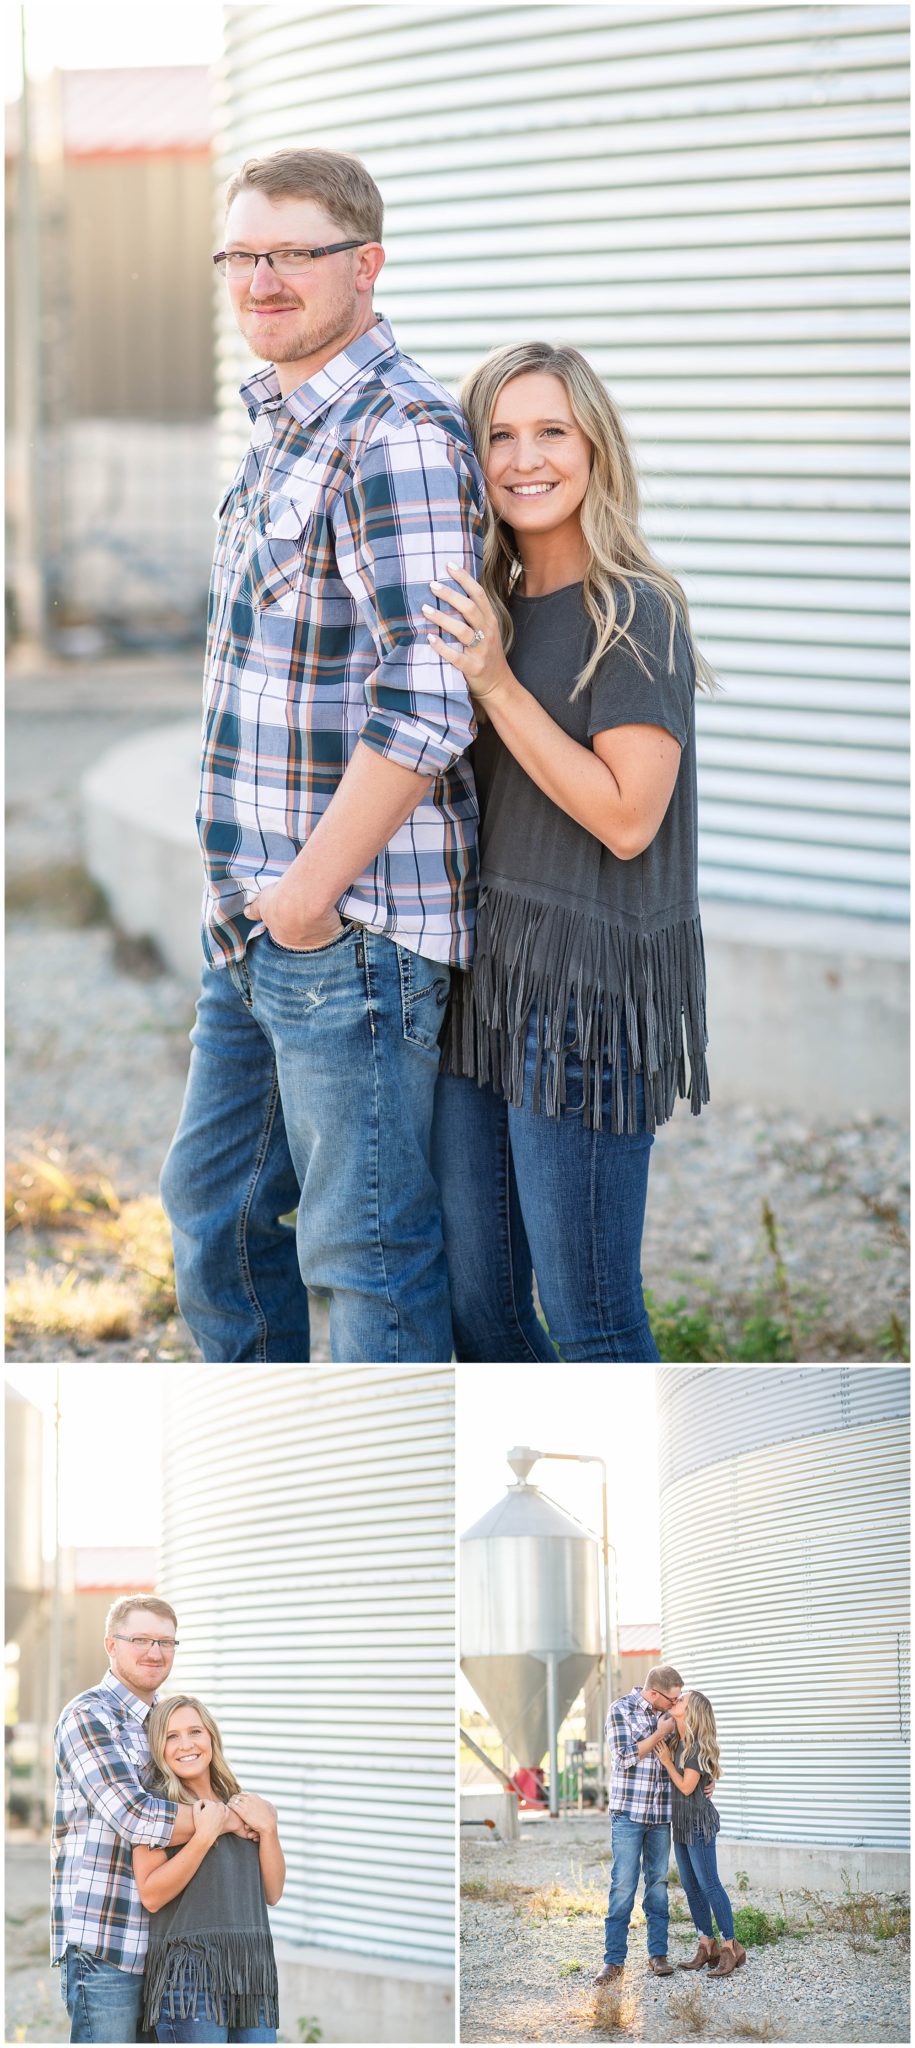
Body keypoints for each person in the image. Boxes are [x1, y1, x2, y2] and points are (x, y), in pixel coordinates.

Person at [160, 146, 484, 1365]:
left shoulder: (392, 433)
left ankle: (378, 1499)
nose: (262, 277)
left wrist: (307, 897)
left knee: (363, 1257)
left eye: (293, 252)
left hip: (345, 930)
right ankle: (275, 1463)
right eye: (242, 252)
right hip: (252, 923)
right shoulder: (286, 421)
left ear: (366, 264)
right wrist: (257, 905)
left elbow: (426, 701)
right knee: (217, 1222)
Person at [427, 341, 713, 1361]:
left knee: (591, 1319)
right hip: (480, 988)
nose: (523, 457)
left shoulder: (635, 610)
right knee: (481, 1309)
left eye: (551, 430)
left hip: (583, 999)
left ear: (595, 446)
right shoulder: (483, 609)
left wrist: (497, 683)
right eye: (499, 434)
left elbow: (630, 814)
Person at [52, 1597, 254, 2043]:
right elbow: (133, 1815)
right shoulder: (88, 1716)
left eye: (165, 1641)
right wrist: (227, 1820)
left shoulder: (166, 1722)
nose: (154, 1652)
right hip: (109, 1943)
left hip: (173, 1948)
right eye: (140, 1639)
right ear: (111, 1645)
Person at [135, 1696, 285, 2042]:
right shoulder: (156, 1808)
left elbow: (273, 1892)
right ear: (158, 1747)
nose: (185, 1745)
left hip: (250, 1969)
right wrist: (204, 1836)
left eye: (194, 1731)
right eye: (171, 1736)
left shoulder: (242, 1803)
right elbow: (152, 1895)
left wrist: (269, 1830)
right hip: (190, 1977)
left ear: (211, 1738)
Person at [594, 1663, 685, 1982]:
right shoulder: (621, 1709)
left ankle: (658, 1955)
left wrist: (707, 1780)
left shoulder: (673, 1716)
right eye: (672, 1699)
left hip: (661, 1816)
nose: (676, 1704)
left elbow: (688, 1754)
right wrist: (659, 1733)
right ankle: (614, 1961)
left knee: (658, 1887)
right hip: (629, 1815)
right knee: (623, 1886)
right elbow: (623, 1756)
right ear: (653, 1693)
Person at [656, 1688, 745, 1977]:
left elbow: (685, 1786)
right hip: (681, 1823)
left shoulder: (694, 1749)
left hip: (698, 1823)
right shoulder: (677, 1739)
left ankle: (731, 1946)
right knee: (691, 1886)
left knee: (709, 1884)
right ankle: (707, 1944)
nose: (676, 1700)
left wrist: (668, 1762)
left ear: (691, 1711)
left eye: (681, 1700)